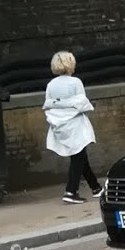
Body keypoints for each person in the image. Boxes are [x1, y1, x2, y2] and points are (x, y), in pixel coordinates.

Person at [43, 51, 102, 204]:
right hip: (75, 125)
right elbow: (82, 103)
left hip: (59, 125)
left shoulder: (51, 85)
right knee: (78, 157)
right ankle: (71, 191)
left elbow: (49, 105)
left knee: (80, 156)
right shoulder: (75, 82)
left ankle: (96, 187)